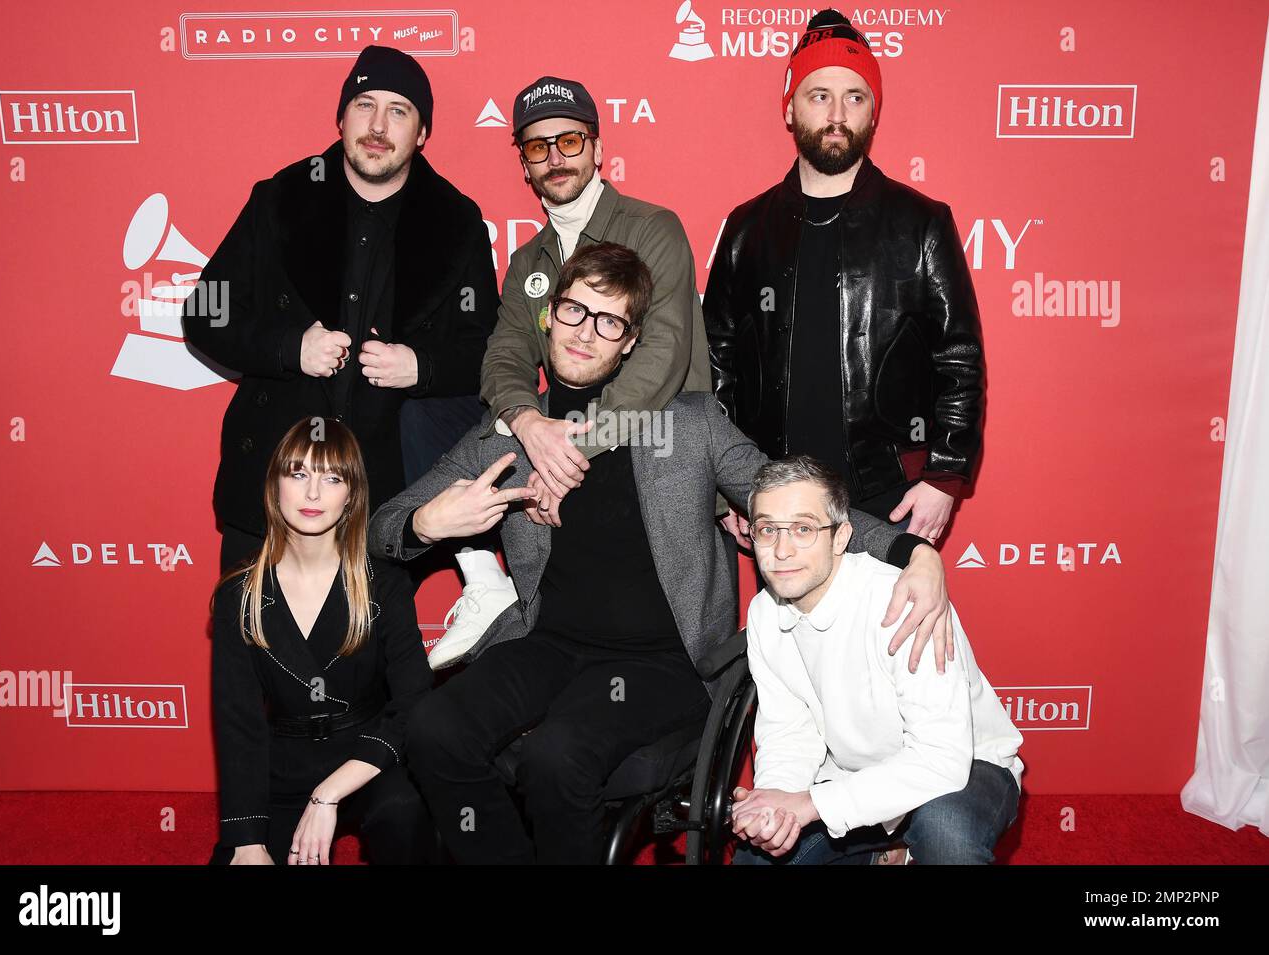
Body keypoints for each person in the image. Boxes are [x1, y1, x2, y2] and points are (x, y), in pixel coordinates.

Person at [368, 243, 953, 864]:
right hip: (548, 644)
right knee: (434, 731)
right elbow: (383, 528)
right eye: (574, 310)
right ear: (547, 318)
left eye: (609, 321)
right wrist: (430, 522)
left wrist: (912, 551)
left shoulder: (688, 423)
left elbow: (789, 495)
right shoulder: (507, 435)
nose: (586, 334)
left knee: (555, 756)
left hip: (662, 662)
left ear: (630, 341)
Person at [425, 75, 716, 668]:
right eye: (538, 146)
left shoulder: (652, 227)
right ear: (524, 165)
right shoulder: (526, 262)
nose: (555, 157)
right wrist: (529, 424)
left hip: (654, 469)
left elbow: (661, 359)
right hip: (565, 481)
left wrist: (568, 453)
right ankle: (486, 581)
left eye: (570, 141)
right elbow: (504, 357)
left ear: (599, 148)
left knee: (654, 670)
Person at [182, 44, 499, 574]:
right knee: (250, 649)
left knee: (368, 655)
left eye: (398, 111)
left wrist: (422, 367)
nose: (378, 125)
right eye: (363, 105)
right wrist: (288, 348)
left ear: (421, 133)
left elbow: (488, 349)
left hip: (384, 503)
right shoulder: (280, 199)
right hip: (271, 485)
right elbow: (205, 313)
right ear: (340, 117)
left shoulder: (457, 223)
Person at [703, 9, 985, 546]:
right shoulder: (746, 229)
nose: (837, 113)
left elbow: (958, 356)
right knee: (788, 633)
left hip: (891, 491)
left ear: (873, 112)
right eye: (819, 95)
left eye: (855, 97)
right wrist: (731, 486)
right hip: (778, 493)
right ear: (790, 109)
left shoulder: (921, 222)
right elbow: (717, 368)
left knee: (892, 631)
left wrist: (945, 475)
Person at [731, 456, 1023, 865]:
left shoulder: (902, 602)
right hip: (850, 778)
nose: (781, 550)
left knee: (946, 835)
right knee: (755, 860)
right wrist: (776, 805)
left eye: (802, 529)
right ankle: (887, 855)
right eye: (767, 530)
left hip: (964, 769)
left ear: (840, 537)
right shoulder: (764, 614)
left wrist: (812, 804)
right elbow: (788, 731)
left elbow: (940, 758)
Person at [208, 417, 435, 865]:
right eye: (298, 474)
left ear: (351, 496)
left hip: (369, 760)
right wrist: (247, 841)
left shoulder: (384, 583)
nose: (313, 494)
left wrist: (329, 792)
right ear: (275, 486)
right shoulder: (240, 594)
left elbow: (415, 702)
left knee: (403, 812)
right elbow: (239, 726)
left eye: (332, 478)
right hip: (284, 765)